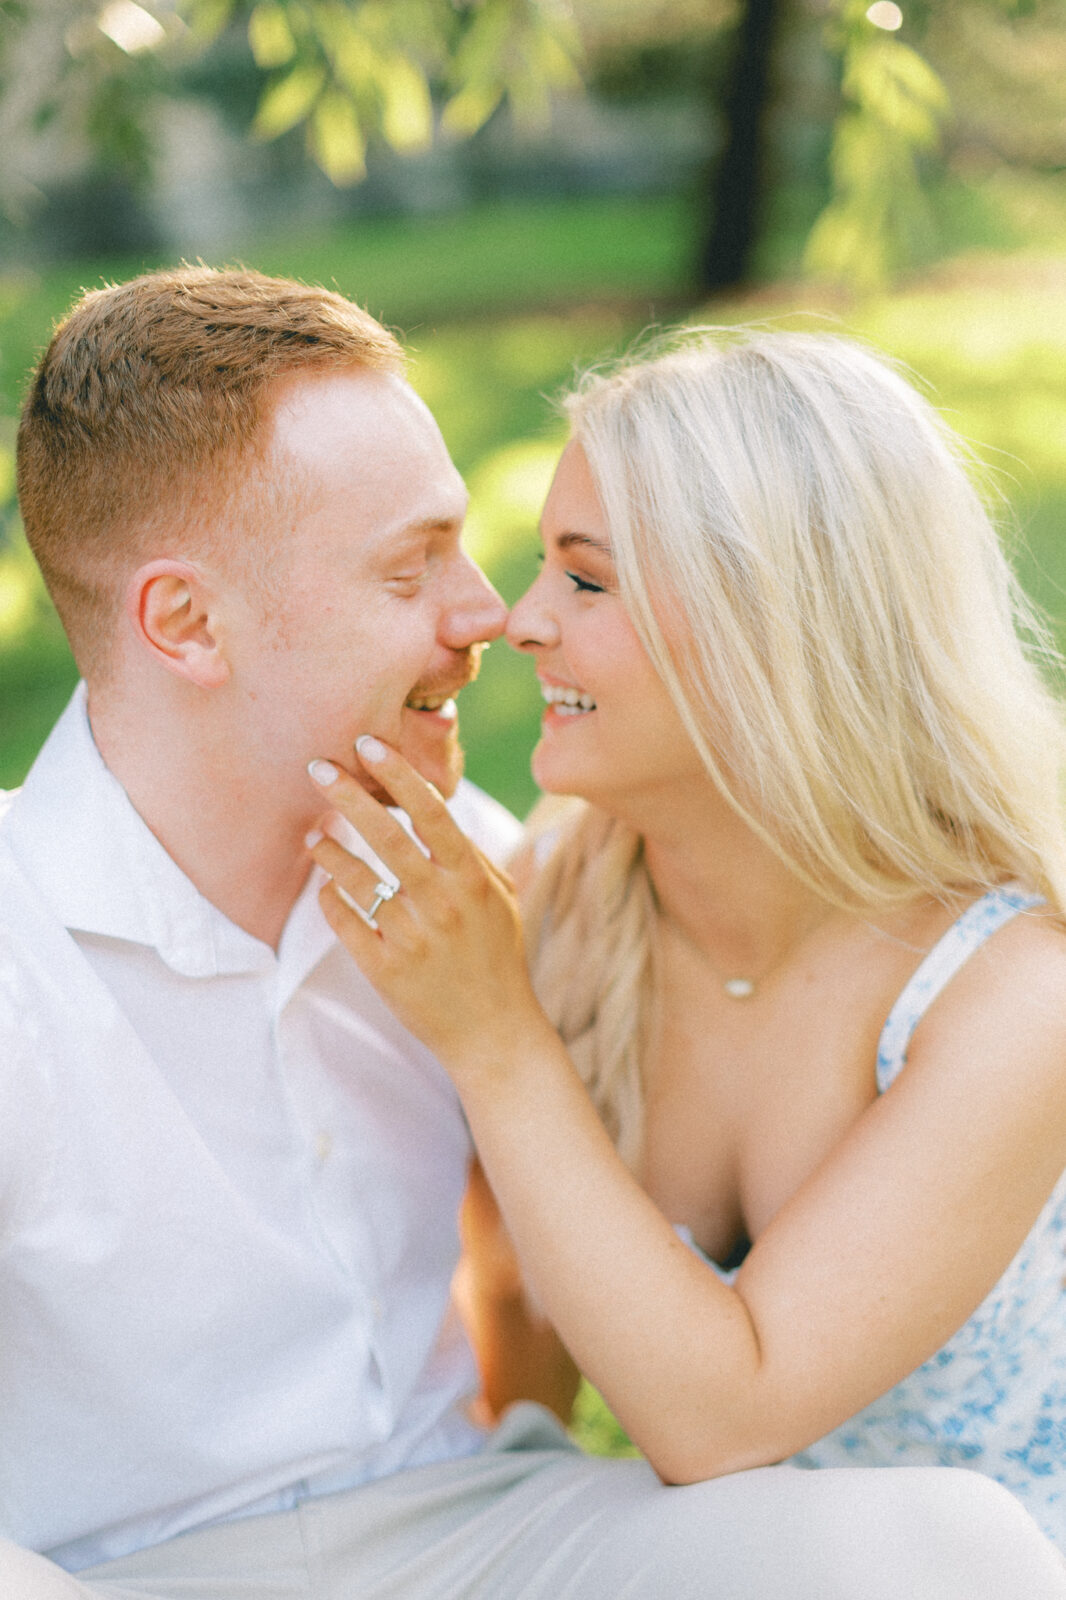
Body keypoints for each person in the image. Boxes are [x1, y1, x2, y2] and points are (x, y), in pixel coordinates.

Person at [7, 274, 1044, 1600]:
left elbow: (542, 1274)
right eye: (407, 566)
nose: (489, 614)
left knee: (944, 1549)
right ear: (185, 622)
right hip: (128, 1574)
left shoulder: (495, 892)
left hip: (478, 1524)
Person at [304, 327, 1066, 1591]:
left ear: (776, 627)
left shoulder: (1014, 988)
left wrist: (494, 1035)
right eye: (546, 565)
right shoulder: (569, 895)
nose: (519, 621)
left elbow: (723, 1415)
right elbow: (512, 1285)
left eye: (587, 581)